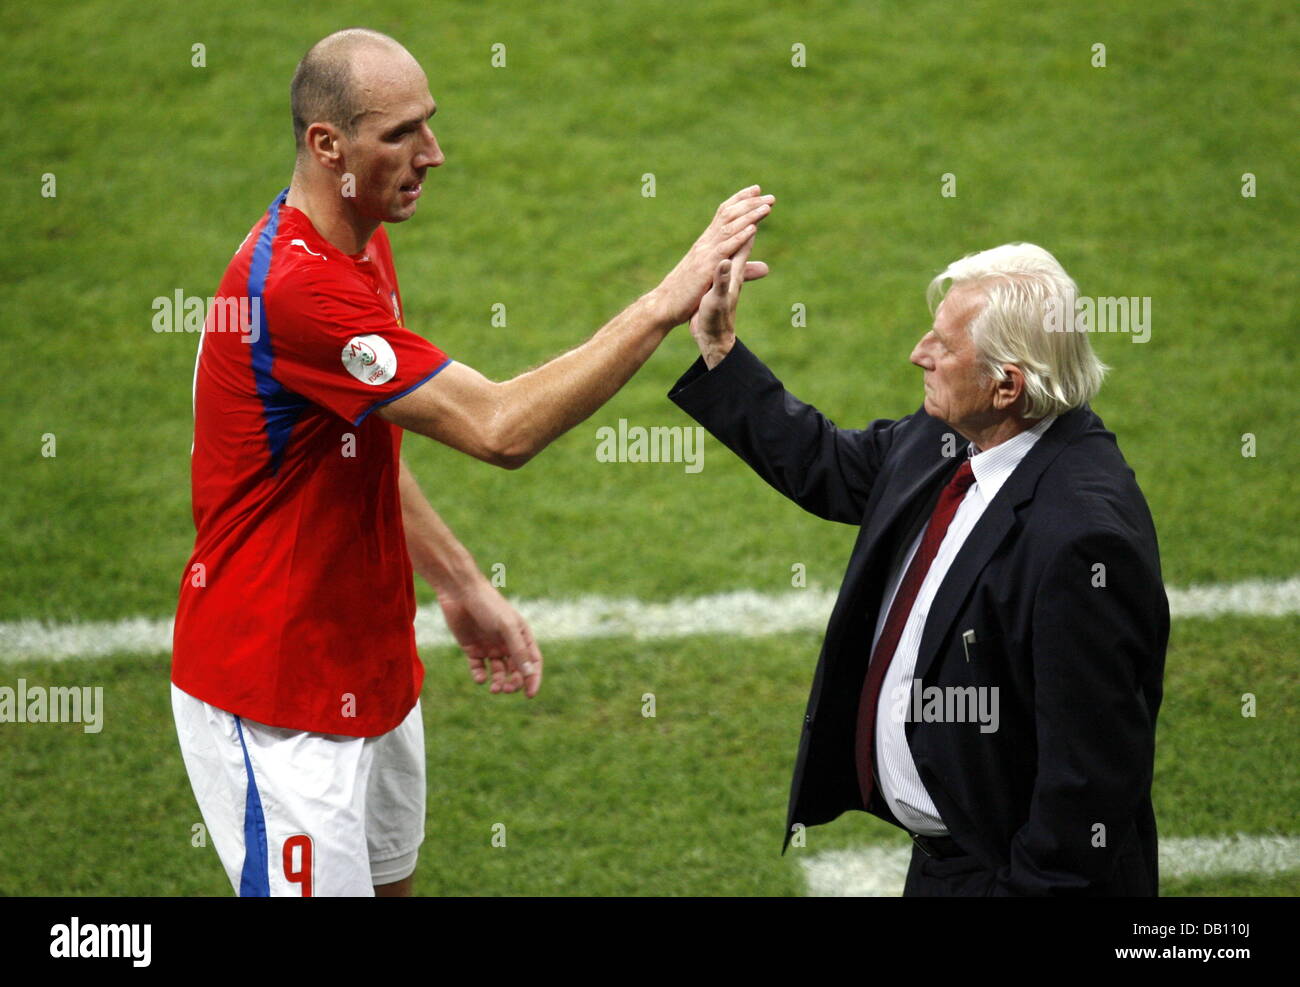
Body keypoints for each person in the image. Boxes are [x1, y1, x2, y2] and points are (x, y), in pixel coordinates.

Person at [170, 27, 773, 897]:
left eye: (430, 124)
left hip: (366, 662)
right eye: (401, 135)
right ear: (326, 144)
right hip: (276, 698)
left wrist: (455, 578)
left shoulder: (355, 240)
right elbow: (499, 428)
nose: (433, 154)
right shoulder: (296, 289)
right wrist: (663, 302)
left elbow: (359, 439)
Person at [669, 242, 1168, 896]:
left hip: (1004, 875)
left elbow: (1087, 784)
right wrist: (720, 348)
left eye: (943, 344)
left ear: (1007, 383)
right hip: (947, 859)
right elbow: (834, 468)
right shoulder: (960, 437)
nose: (918, 352)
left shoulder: (1082, 541)